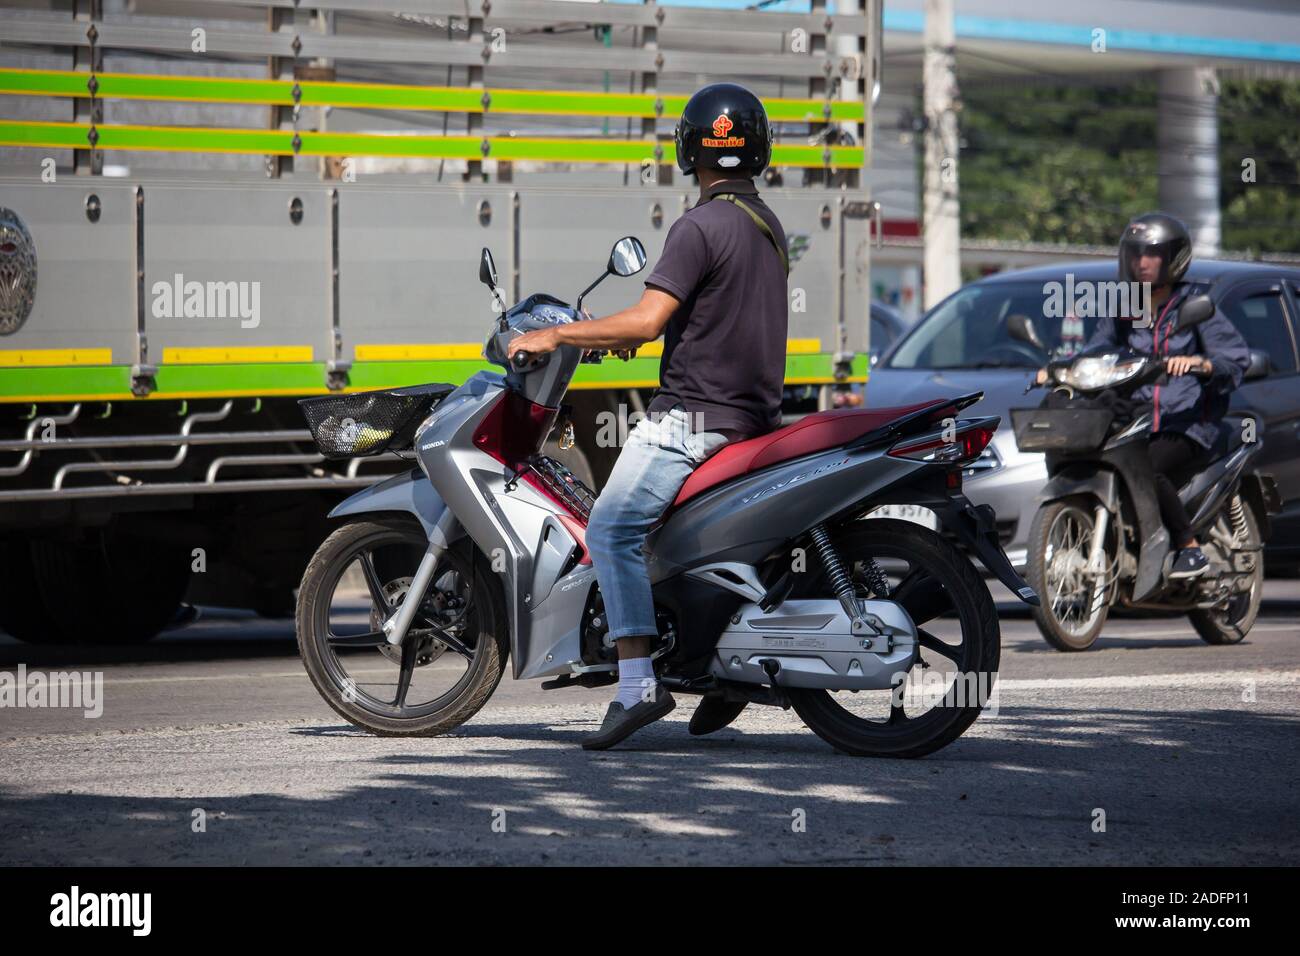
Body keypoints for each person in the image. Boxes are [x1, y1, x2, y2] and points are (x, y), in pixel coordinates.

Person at [510, 83, 790, 749]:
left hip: (690, 419)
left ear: (689, 148)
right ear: (759, 151)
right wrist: (629, 337)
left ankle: (637, 685)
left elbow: (649, 315)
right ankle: (721, 675)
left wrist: (554, 337)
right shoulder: (766, 226)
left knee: (609, 530)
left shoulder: (697, 226)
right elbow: (706, 316)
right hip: (750, 417)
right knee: (682, 543)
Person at [1036, 213, 1249, 578]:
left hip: (1186, 423)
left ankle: (1188, 546)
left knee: (1146, 467)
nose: (1142, 262)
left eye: (1152, 254)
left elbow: (1234, 360)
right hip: (1132, 421)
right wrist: (1061, 369)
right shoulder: (1123, 308)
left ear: (1173, 258)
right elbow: (1097, 350)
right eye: (1136, 254)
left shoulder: (1194, 307)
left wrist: (1201, 364)